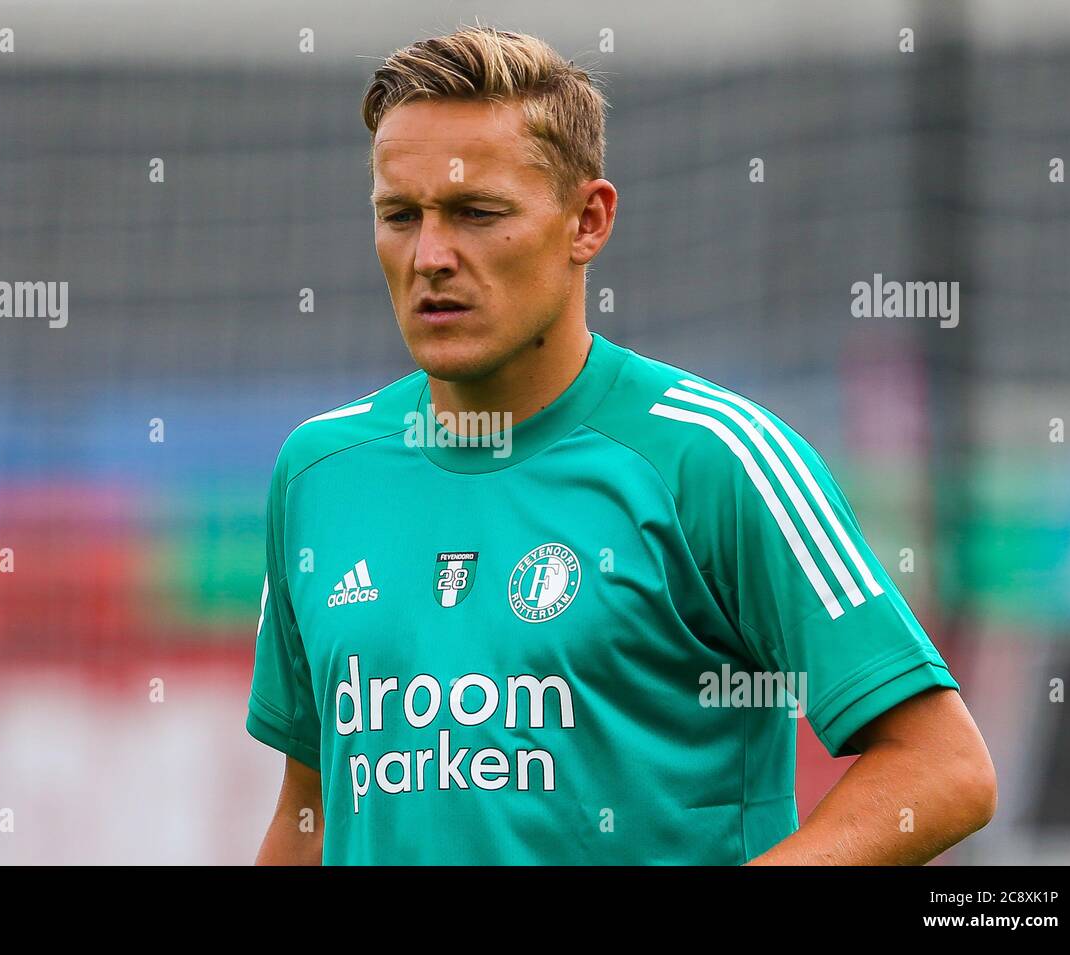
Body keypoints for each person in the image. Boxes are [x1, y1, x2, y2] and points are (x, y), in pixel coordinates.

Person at [246, 26, 996, 864]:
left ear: (587, 221)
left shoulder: (714, 458)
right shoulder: (317, 473)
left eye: (475, 213)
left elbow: (944, 766)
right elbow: (308, 808)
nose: (430, 256)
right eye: (400, 215)